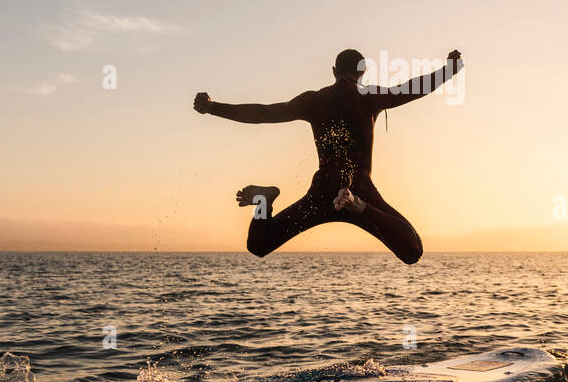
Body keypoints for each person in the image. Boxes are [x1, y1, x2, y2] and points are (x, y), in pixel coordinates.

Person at [193, 49, 462, 264]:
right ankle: (359, 207)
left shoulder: (314, 100)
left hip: (322, 195)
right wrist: (449, 70)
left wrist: (214, 108)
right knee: (412, 250)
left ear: (333, 72)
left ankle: (264, 201)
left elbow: (264, 113)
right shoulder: (368, 97)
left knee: (258, 245)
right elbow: (413, 88)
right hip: (360, 192)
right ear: (363, 72)